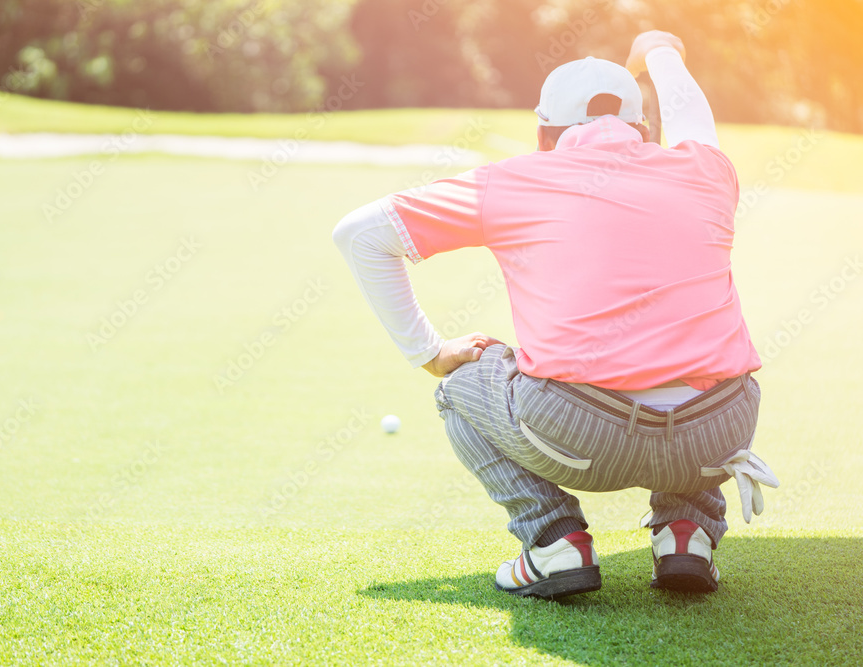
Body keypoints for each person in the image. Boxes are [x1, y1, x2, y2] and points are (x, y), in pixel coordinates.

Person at [332, 31, 778, 600]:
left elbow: (359, 236)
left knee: (462, 382)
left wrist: (431, 353)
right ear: (644, 131)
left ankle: (554, 544)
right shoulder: (707, 170)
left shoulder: (511, 179)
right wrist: (659, 51)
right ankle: (685, 534)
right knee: (713, 371)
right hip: (715, 433)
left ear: (544, 135)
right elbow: (692, 115)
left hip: (578, 437)